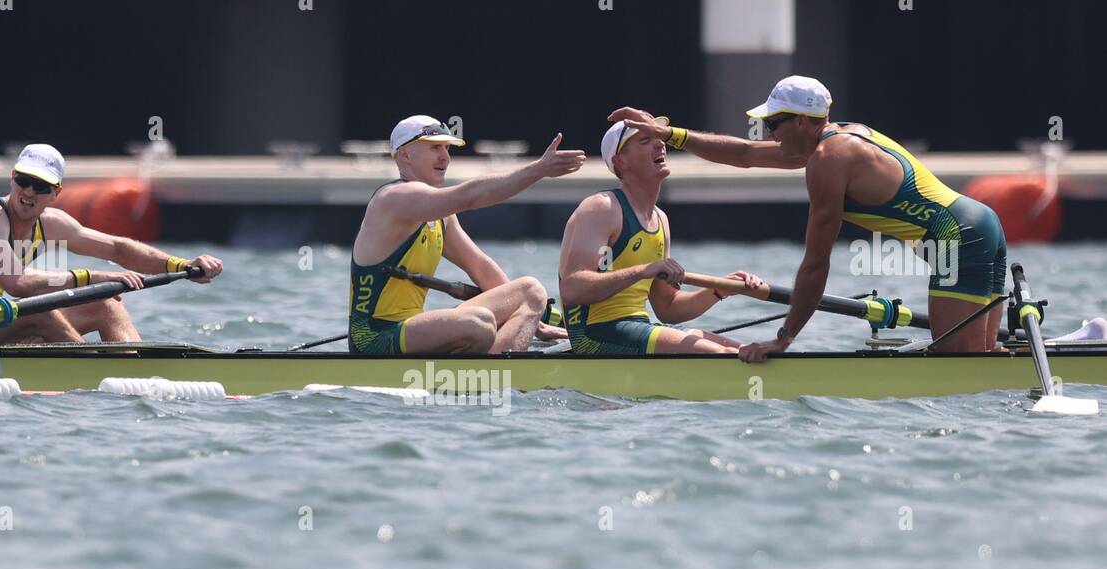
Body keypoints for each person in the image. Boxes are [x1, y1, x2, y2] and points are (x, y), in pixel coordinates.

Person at [609, 75, 1008, 359]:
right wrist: (670, 134)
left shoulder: (827, 162)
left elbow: (816, 263)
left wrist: (783, 338)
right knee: (985, 358)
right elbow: (743, 155)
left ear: (801, 121)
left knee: (960, 367)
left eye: (773, 123)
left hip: (956, 239)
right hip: (982, 221)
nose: (766, 133)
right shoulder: (842, 137)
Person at [0, 143, 223, 351]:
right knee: (41, 311)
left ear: (55, 193)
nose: (28, 192)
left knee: (107, 305)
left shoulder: (52, 224)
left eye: (41, 187)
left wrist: (181, 265)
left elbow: (118, 249)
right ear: (12, 178)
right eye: (23, 180)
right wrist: (91, 278)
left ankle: (133, 376)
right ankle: (93, 372)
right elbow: (18, 284)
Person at [349, 115, 581, 353]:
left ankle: (502, 370)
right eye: (435, 147)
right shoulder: (393, 199)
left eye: (447, 148)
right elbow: (470, 197)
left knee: (530, 291)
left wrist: (530, 319)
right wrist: (538, 169)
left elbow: (480, 267)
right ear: (406, 155)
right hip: (374, 339)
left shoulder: (441, 217)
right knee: (479, 323)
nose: (445, 157)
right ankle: (491, 377)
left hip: (410, 330)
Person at [557, 119, 761, 354]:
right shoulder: (602, 208)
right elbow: (573, 289)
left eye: (659, 139)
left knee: (748, 350)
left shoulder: (660, 219)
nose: (660, 145)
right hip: (592, 336)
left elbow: (668, 309)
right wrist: (644, 270)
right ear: (620, 162)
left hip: (635, 329)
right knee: (725, 356)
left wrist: (719, 291)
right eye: (645, 141)